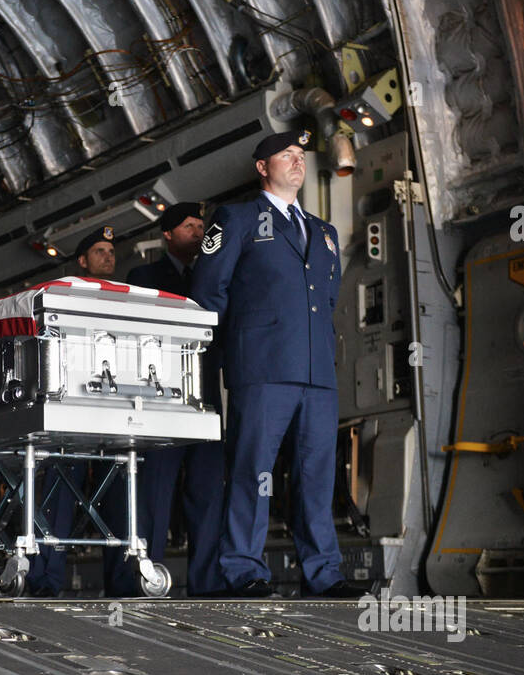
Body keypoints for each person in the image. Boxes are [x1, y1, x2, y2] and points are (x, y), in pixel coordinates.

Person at [190, 129, 357, 598]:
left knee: (317, 474)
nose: (297, 161)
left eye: (301, 155)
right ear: (262, 167)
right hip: (262, 368)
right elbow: (207, 291)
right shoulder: (236, 218)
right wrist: (229, 353)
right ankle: (243, 569)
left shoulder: (323, 233)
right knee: (252, 470)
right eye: (286, 154)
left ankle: (324, 573)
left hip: (317, 371)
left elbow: (325, 297)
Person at [27, 225, 136, 596]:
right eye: (100, 251)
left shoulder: (125, 299)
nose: (109, 256)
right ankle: (46, 580)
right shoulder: (64, 295)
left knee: (120, 496)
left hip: (113, 409)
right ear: (82, 261)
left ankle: (123, 583)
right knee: (60, 494)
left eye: (111, 250)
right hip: (72, 406)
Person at [127, 202, 229, 596]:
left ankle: (206, 583)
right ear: (168, 234)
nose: (199, 233)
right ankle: (146, 580)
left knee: (206, 494)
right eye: (189, 227)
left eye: (202, 226)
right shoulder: (146, 276)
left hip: (204, 399)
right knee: (156, 495)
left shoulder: (213, 273)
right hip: (162, 402)